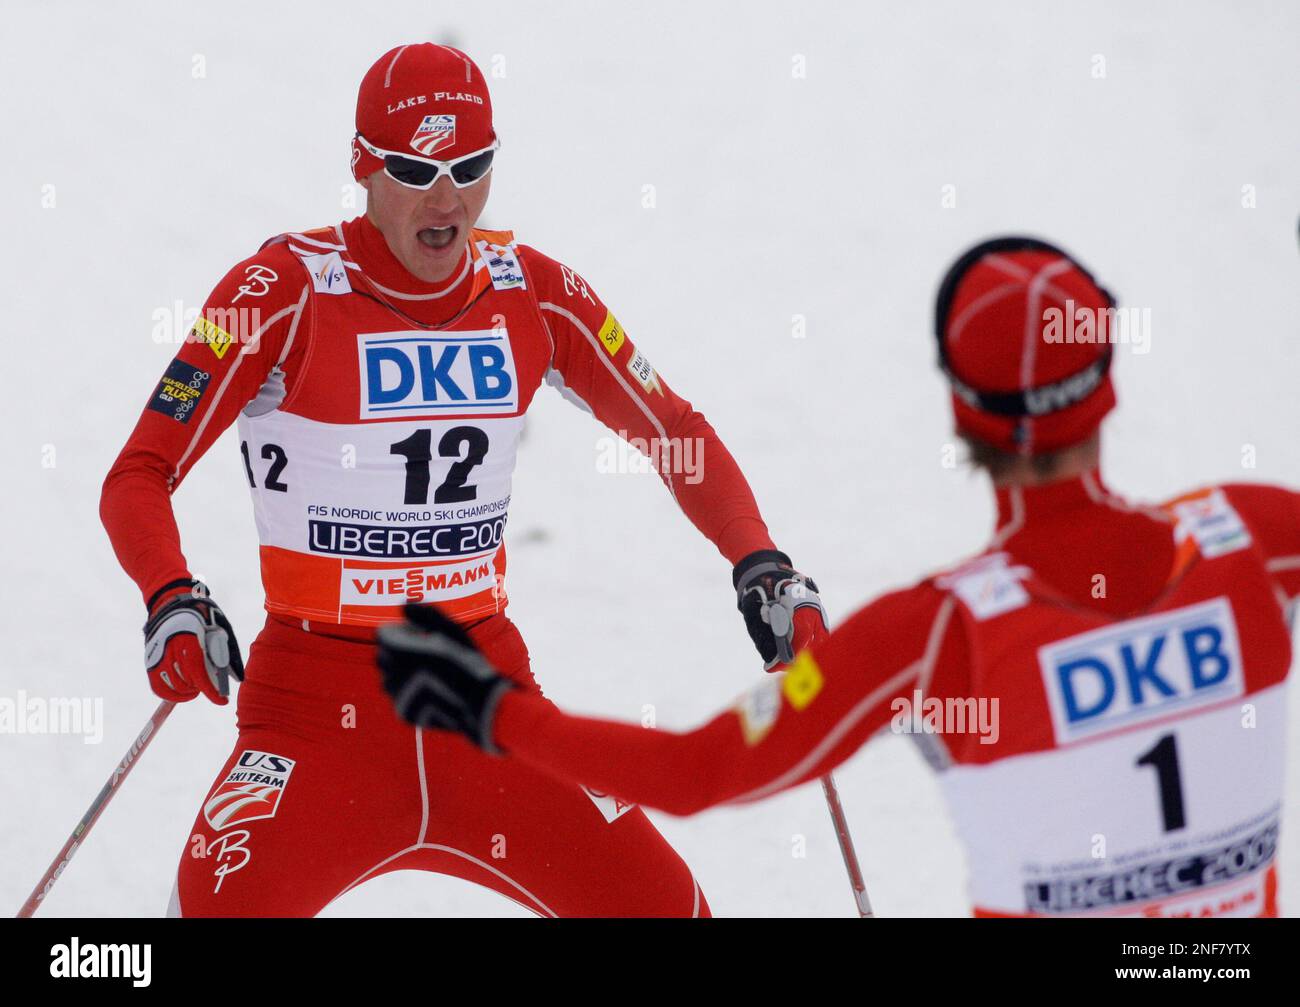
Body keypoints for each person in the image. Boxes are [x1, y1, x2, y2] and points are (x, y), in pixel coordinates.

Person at [100, 42, 826, 918]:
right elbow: (140, 472)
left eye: (471, 167)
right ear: (364, 167)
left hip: (487, 708)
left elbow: (675, 429)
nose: (447, 200)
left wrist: (764, 567)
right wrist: (171, 595)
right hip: (313, 718)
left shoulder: (532, 291)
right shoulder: (282, 291)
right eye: (415, 170)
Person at [379, 236, 1300, 918]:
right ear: (1110, 379)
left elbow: (698, 770)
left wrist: (493, 708)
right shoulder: (1254, 537)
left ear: (959, 410)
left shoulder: (934, 634)